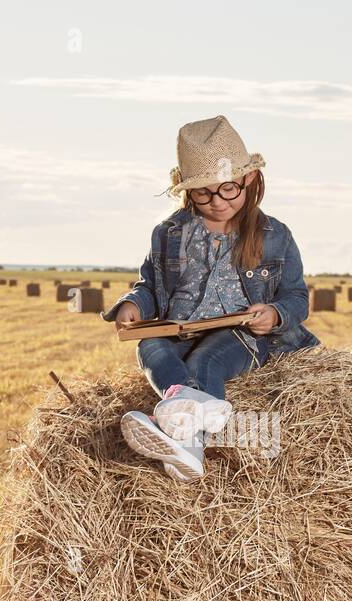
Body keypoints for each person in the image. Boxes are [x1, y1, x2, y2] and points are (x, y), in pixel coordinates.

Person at [104, 115, 319, 480]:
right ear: (189, 191)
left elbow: (297, 297)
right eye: (204, 193)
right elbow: (150, 286)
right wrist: (133, 305)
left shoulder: (275, 235)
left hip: (241, 334)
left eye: (227, 189)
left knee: (206, 361)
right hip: (180, 330)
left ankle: (187, 441)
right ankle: (188, 412)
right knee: (149, 347)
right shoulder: (169, 233)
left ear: (249, 180)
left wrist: (275, 313)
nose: (217, 202)